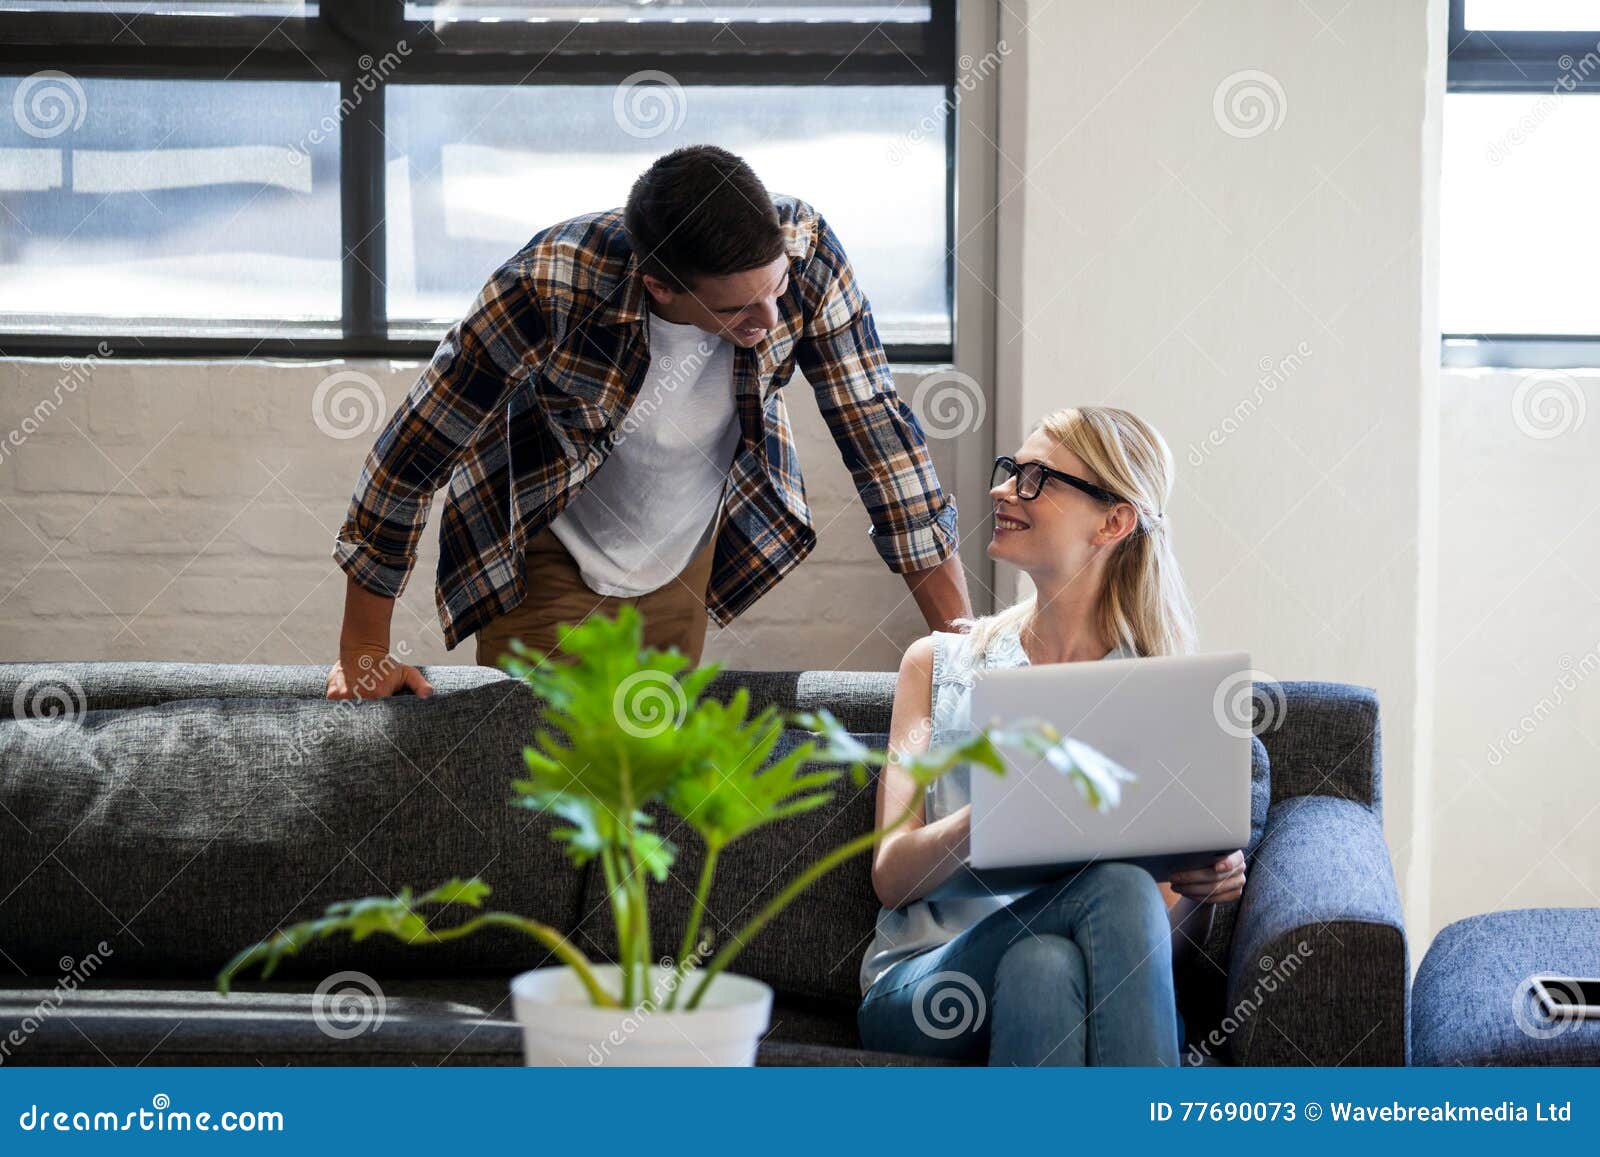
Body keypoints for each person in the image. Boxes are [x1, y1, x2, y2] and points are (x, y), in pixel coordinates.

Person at [326, 144, 971, 699]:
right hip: (551, 553)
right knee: (545, 798)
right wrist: (362, 650)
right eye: (739, 309)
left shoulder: (805, 253)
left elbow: (880, 440)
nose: (772, 322)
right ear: (660, 286)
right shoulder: (551, 284)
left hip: (683, 557)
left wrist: (964, 655)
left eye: (775, 291)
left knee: (651, 788)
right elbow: (412, 453)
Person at [856, 406, 1246, 1066]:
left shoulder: (1156, 695)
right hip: (928, 985)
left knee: (1043, 964)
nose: (1003, 489)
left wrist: (1198, 890)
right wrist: (988, 821)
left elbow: (1146, 952)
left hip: (1071, 978)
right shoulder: (935, 665)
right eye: (1011, 470)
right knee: (1114, 889)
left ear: (1112, 521)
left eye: (1036, 478)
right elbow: (891, 877)